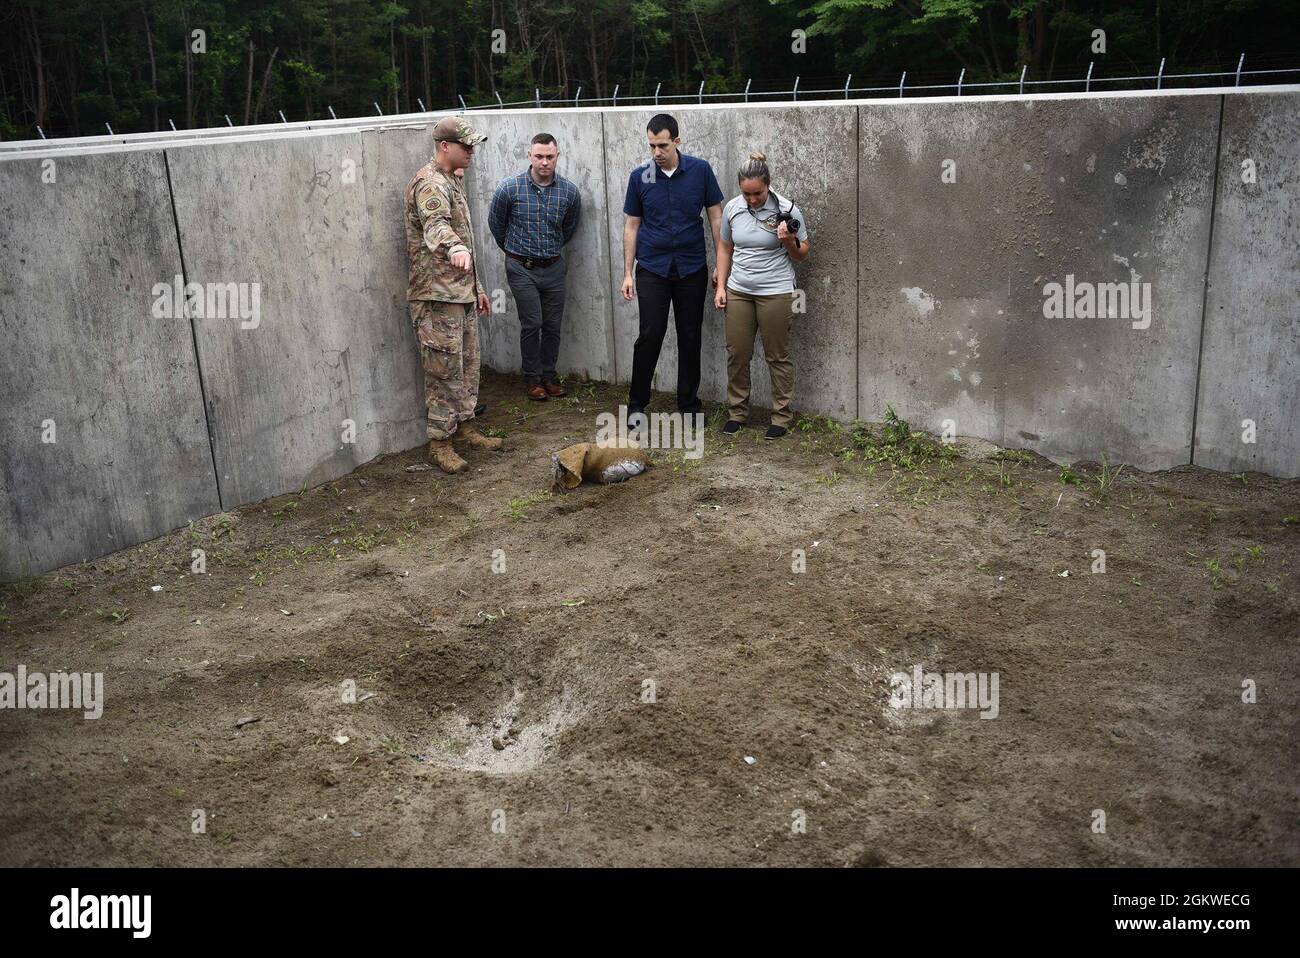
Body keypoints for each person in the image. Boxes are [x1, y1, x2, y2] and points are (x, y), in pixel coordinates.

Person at [405, 116, 501, 474]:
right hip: (436, 297)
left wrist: (475, 288)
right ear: (445, 146)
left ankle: (465, 427)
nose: (471, 151)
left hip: (458, 294)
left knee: (466, 366)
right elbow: (437, 226)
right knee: (443, 371)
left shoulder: (452, 180)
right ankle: (440, 443)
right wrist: (454, 247)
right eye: (466, 145)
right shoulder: (430, 183)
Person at [621, 113, 724, 424]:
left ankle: (689, 405)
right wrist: (627, 272)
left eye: (662, 145)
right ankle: (637, 404)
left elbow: (716, 217)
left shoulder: (700, 171)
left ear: (677, 141)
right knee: (650, 333)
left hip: (691, 267)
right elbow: (632, 226)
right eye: (651, 145)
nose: (656, 152)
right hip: (652, 267)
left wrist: (721, 265)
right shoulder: (640, 177)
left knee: (690, 335)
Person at [713, 151, 810, 439]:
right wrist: (721, 286)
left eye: (758, 193)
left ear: (768, 185)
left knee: (777, 356)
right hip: (739, 290)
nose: (752, 199)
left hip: (776, 291)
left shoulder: (788, 209)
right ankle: (737, 413)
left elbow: (803, 253)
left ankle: (781, 417)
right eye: (747, 193)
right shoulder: (732, 208)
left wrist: (788, 241)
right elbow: (724, 248)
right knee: (737, 354)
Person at [488, 133, 582, 402]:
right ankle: (532, 378)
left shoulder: (569, 192)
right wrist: (513, 251)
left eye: (549, 157)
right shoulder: (509, 189)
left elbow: (569, 228)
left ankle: (549, 376)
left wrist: (550, 250)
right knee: (532, 322)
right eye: (539, 156)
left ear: (557, 157)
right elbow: (496, 225)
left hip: (553, 267)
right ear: (529, 156)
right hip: (521, 266)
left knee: (552, 324)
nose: (544, 162)